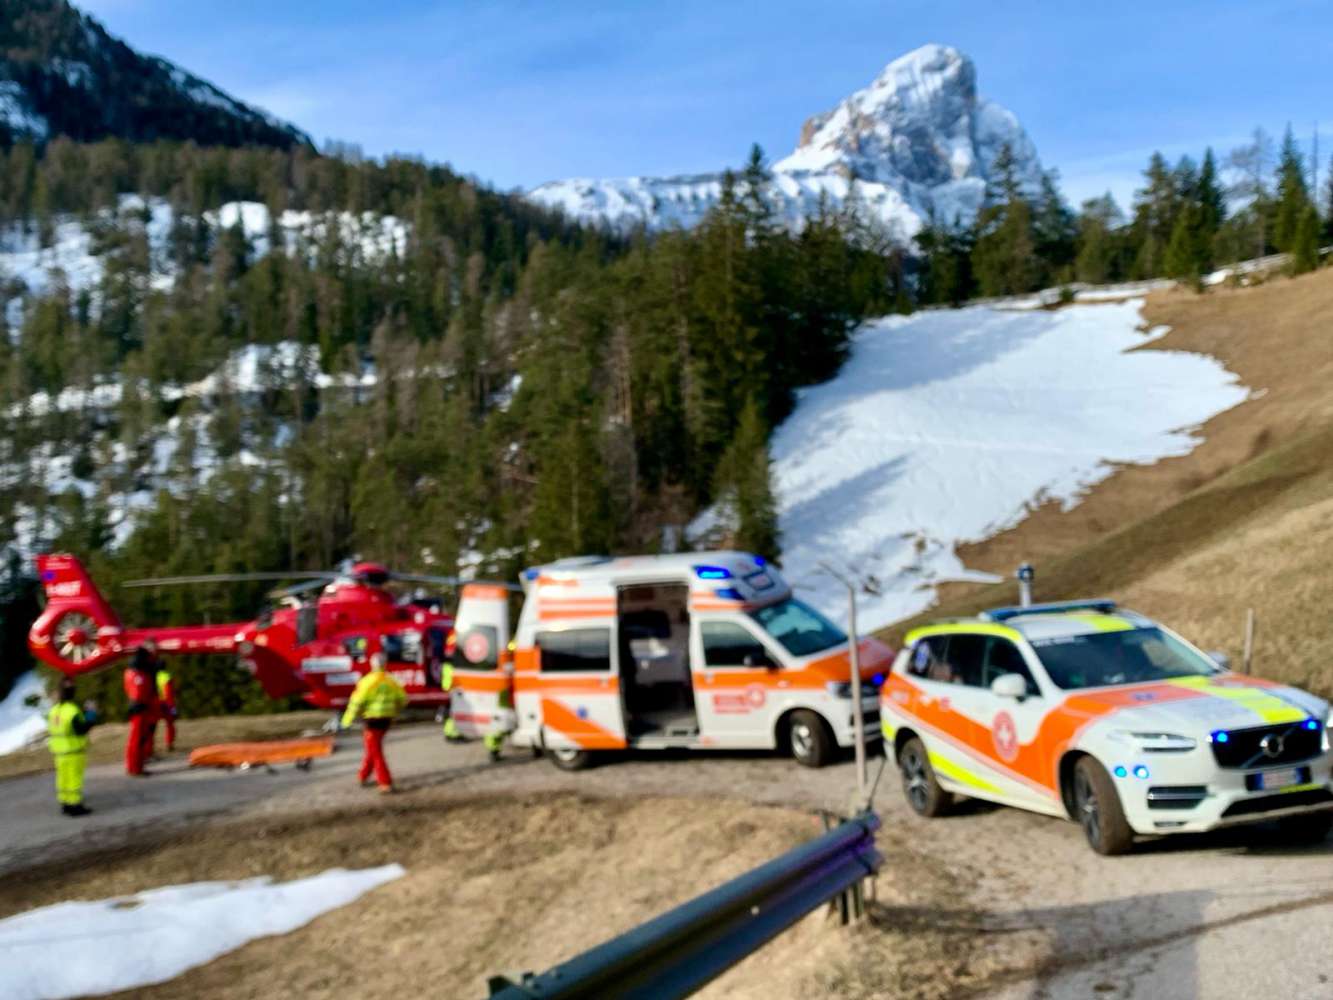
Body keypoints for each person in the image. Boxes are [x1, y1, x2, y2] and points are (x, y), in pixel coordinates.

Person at [340, 652, 407, 793]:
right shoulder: (391, 680)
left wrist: (347, 720)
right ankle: (362, 776)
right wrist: (394, 711)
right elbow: (403, 699)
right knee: (373, 748)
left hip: (372, 720)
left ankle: (385, 782)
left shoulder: (367, 681)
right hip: (386, 720)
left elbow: (356, 703)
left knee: (375, 751)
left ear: (372, 664)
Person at [48, 679, 98, 816]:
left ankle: (65, 803)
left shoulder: (54, 710)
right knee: (74, 779)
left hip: (59, 752)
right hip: (73, 751)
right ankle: (75, 805)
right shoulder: (72, 711)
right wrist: (91, 714)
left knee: (62, 779)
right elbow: (81, 729)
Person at [124, 642, 161, 776]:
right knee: (137, 740)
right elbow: (139, 693)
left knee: (139, 739)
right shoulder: (138, 673)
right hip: (140, 709)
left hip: (141, 708)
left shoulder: (136, 671)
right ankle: (135, 768)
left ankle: (135, 766)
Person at [155, 666, 178, 753]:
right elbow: (169, 693)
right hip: (166, 703)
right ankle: (169, 744)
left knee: (152, 726)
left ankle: (150, 748)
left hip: (156, 703)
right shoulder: (166, 676)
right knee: (170, 725)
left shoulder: (152, 675)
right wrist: (172, 707)